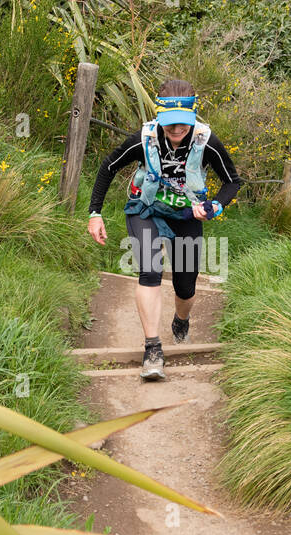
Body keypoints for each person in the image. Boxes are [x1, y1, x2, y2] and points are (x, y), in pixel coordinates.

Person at [86, 77, 241, 380]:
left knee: (186, 286)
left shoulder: (206, 141)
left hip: (186, 216)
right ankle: (152, 349)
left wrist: (216, 206)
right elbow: (108, 166)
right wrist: (95, 213)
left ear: (193, 118)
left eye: (183, 125)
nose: (177, 132)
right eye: (170, 126)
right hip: (145, 208)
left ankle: (181, 320)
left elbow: (232, 181)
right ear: (159, 118)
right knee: (150, 270)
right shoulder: (144, 139)